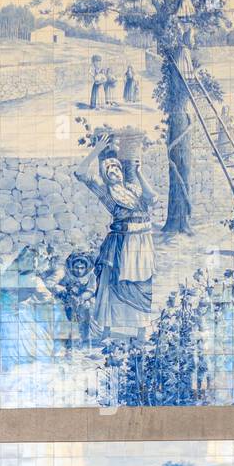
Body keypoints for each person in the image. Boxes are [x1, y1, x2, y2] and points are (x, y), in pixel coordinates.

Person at [74, 133, 156, 341]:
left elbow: (152, 198)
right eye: (109, 170)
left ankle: (140, 330)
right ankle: (107, 329)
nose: (113, 172)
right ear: (104, 175)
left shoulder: (133, 189)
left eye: (116, 168)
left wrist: (139, 173)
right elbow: (80, 172)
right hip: (121, 243)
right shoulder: (106, 193)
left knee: (141, 285)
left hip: (143, 243)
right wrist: (96, 151)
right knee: (112, 286)